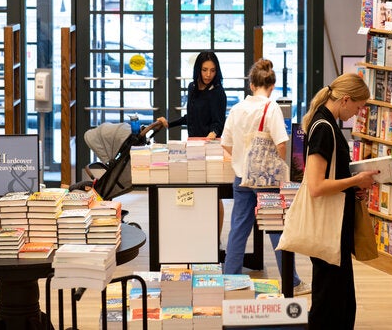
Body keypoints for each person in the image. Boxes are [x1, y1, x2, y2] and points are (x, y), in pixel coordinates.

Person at [221, 59, 308, 295]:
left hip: (241, 178)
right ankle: (293, 282)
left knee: (238, 229)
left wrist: (243, 159)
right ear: (272, 85)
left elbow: (225, 143)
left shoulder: (237, 109)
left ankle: (230, 279)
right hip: (266, 181)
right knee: (277, 229)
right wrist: (276, 166)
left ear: (251, 84)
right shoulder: (272, 108)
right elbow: (282, 144)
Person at [300, 73, 377, 330]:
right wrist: (355, 182)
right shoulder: (324, 128)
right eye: (357, 107)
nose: (357, 113)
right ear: (345, 100)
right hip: (328, 229)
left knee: (339, 301)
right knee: (330, 304)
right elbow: (316, 185)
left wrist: (355, 182)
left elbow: (332, 176)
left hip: (335, 227)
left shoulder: (327, 122)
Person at [159, 51, 227, 139]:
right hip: (193, 141)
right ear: (198, 69)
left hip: (210, 143)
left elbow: (219, 122)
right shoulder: (192, 87)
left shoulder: (218, 92)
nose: (208, 74)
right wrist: (169, 124)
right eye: (204, 70)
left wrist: (213, 133)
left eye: (213, 70)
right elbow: (192, 116)